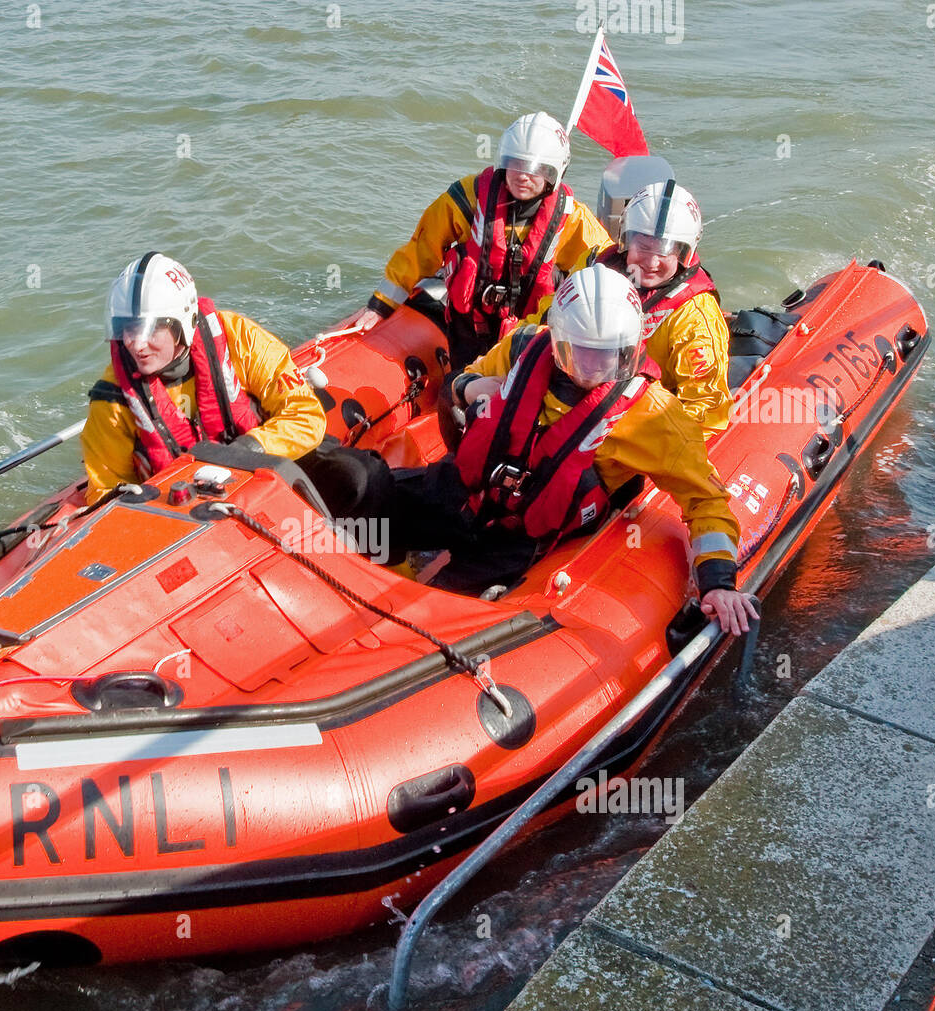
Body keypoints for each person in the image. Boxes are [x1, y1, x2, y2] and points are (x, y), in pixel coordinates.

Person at [387, 264, 758, 635]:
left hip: (528, 536)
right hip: (468, 487)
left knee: (430, 618)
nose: (597, 367)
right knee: (364, 488)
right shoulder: (523, 346)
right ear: (558, 341)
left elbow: (706, 499)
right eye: (583, 352)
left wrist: (719, 583)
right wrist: (471, 386)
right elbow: (465, 381)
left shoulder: (655, 416)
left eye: (612, 354)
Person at [82, 251, 390, 520]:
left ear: (183, 324)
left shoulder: (238, 338)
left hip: (264, 466)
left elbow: (305, 416)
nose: (135, 344)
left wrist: (246, 450)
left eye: (149, 329)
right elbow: (105, 494)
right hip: (180, 510)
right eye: (126, 328)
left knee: (361, 477)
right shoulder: (111, 401)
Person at [351, 112, 612, 369]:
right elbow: (421, 250)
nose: (522, 176)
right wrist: (380, 305)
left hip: (531, 329)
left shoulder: (573, 219)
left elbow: (605, 266)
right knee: (460, 386)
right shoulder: (468, 198)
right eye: (515, 164)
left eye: (535, 170)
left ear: (554, 174)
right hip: (469, 323)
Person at [519, 179, 730, 436]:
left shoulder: (696, 316)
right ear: (626, 239)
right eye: (643, 244)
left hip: (637, 421)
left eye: (666, 251)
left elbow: (705, 410)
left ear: (683, 253)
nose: (651, 261)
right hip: (571, 390)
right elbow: (547, 318)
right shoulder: (595, 265)